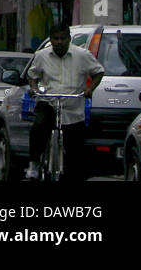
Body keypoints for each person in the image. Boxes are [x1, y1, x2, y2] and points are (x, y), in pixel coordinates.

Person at [23, 24, 104, 181]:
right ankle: (34, 163)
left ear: (69, 39)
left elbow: (98, 72)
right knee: (38, 127)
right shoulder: (41, 55)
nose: (59, 42)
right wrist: (34, 88)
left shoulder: (82, 55)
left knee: (75, 146)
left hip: (72, 104)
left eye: (62, 38)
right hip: (48, 101)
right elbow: (32, 75)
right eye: (55, 39)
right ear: (51, 40)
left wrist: (89, 89)